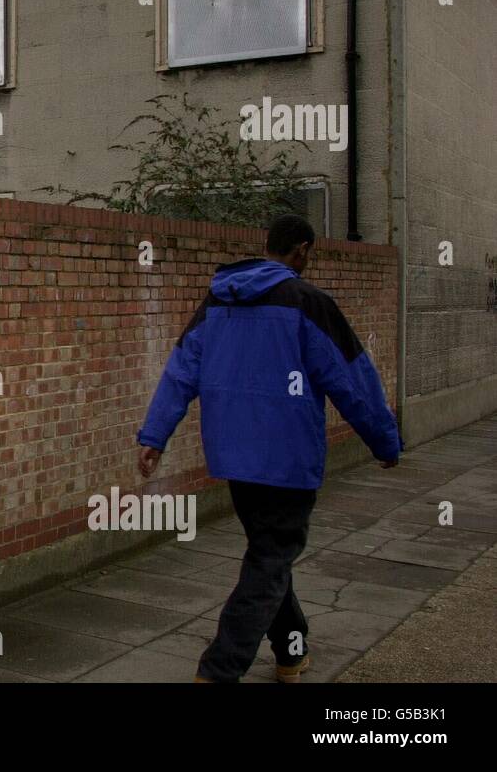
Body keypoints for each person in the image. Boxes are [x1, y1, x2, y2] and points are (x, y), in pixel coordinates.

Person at [135, 214, 402, 683]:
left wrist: (154, 435)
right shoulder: (308, 302)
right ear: (301, 250)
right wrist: (384, 439)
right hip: (288, 462)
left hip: (234, 459)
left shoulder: (218, 299)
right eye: (309, 254)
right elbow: (352, 379)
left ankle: (291, 652)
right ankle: (219, 671)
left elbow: (181, 370)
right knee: (270, 562)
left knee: (270, 555)